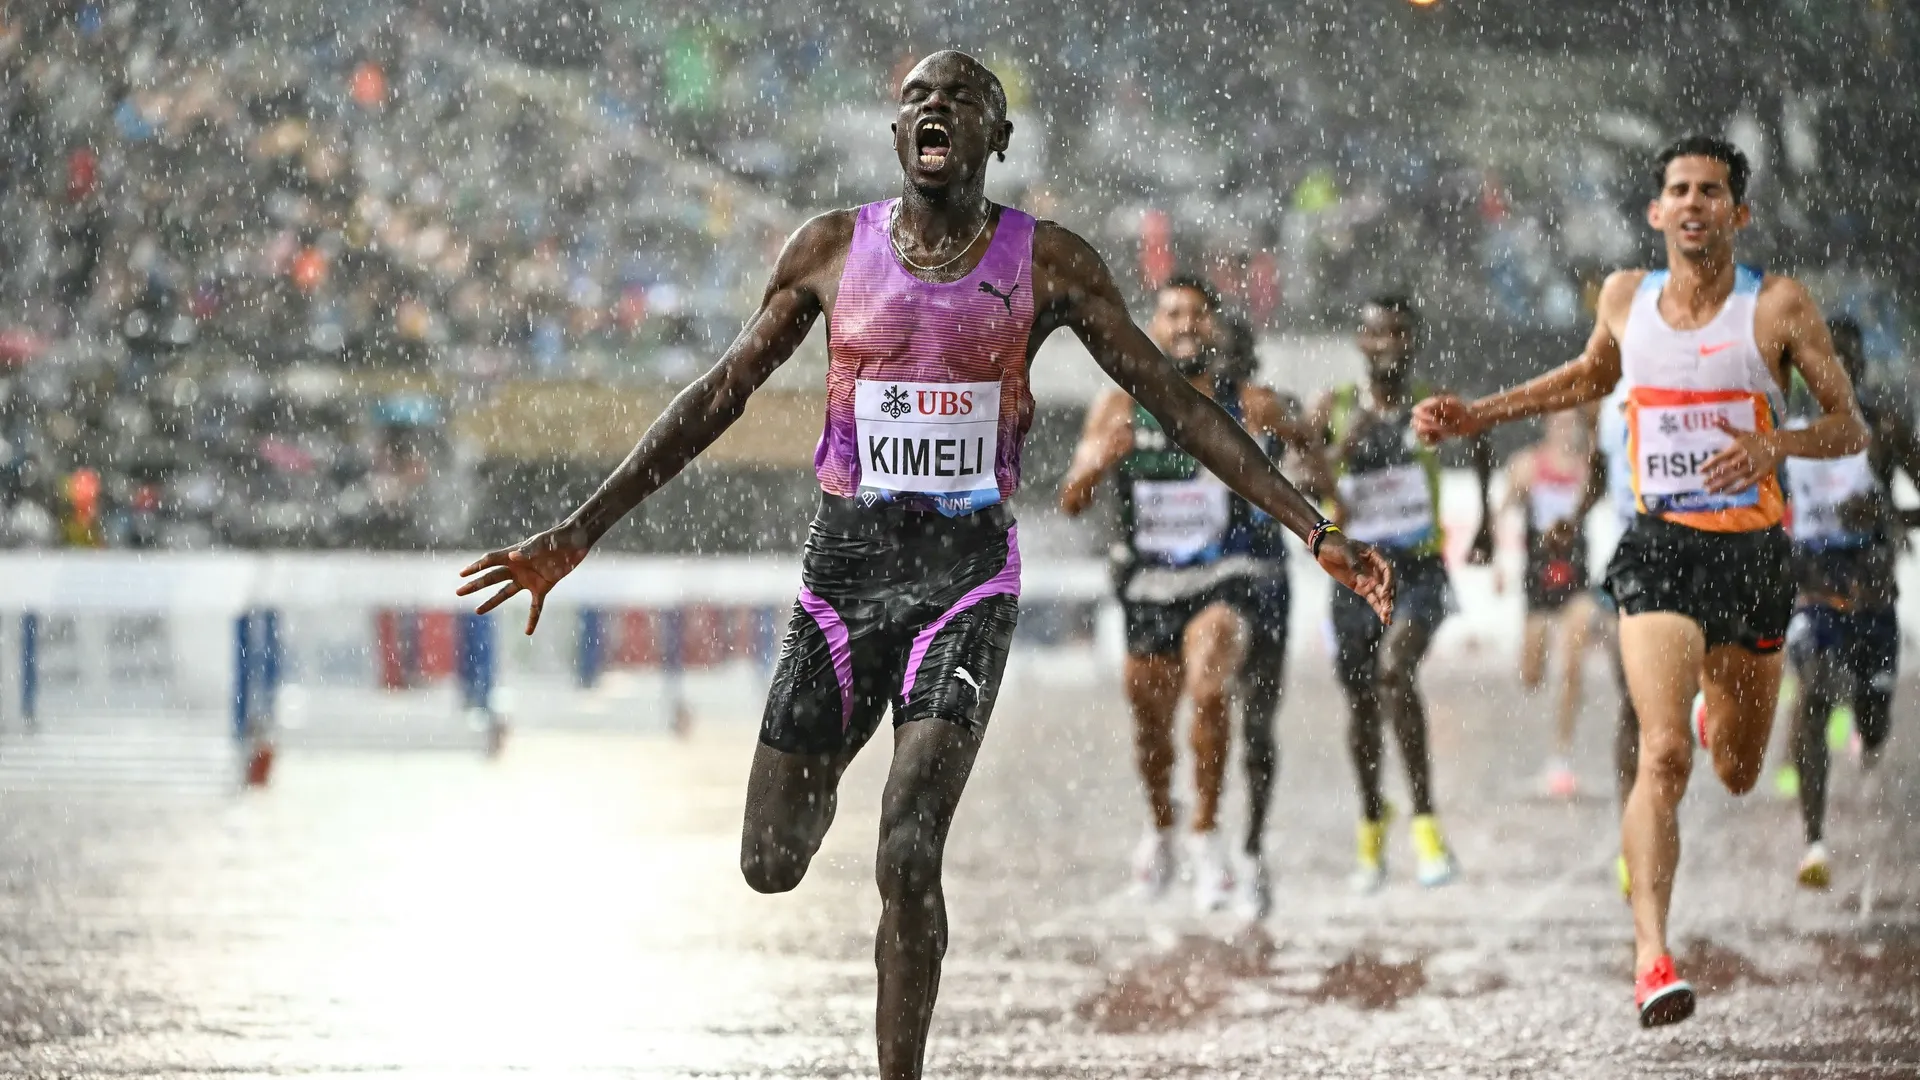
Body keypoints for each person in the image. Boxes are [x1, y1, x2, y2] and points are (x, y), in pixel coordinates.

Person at [457, 52, 1393, 1080]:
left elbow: (1180, 406)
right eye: (916, 99)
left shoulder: (1052, 264)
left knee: (907, 851)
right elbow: (720, 393)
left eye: (963, 99)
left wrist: (1313, 528)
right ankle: (850, 732)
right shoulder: (827, 250)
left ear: (996, 139)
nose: (935, 108)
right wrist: (580, 531)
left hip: (966, 579)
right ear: (896, 135)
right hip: (845, 575)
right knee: (770, 862)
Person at [1413, 135, 1868, 1027]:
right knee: (1661, 754)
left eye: (1711, 192)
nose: (1693, 204)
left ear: (1737, 213)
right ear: (1657, 212)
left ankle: (1713, 709)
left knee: (1734, 769)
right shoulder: (1628, 298)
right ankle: (1652, 957)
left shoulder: (1776, 306)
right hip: (1659, 546)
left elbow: (1847, 426)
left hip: (1752, 557)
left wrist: (1777, 443)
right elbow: (1591, 375)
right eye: (1678, 191)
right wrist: (1483, 412)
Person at [1058, 285, 1314, 916]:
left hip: (1227, 576)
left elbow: (1310, 448)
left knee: (1209, 682)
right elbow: (1071, 499)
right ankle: (1162, 828)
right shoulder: (1119, 405)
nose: (1186, 324)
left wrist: (1317, 469)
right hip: (1149, 585)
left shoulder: (1247, 404)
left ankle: (1207, 838)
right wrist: (1095, 466)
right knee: (1150, 728)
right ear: (1153, 325)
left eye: (1198, 313)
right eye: (1172, 313)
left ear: (1217, 329)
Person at [1310, 293, 1494, 894]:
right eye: (1377, 334)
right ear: (1361, 344)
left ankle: (1425, 824)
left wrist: (1488, 518)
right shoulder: (1335, 407)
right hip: (1358, 575)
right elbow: (1303, 473)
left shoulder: (1430, 405)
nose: (1388, 344)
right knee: (1361, 706)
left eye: (1399, 334)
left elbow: (1481, 439)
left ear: (1412, 341)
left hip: (1418, 571)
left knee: (1395, 672)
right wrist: (1341, 450)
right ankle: (1371, 827)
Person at [1780, 316, 1920, 889]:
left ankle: (1870, 724)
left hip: (1873, 595)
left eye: (1847, 361)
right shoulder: (1782, 436)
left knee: (1872, 719)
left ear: (1860, 368)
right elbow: (1758, 521)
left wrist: (1884, 515)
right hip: (1814, 593)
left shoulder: (1884, 428)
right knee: (1814, 693)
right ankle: (1813, 843)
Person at [1214, 314, 1304, 917]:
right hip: (1202, 584)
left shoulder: (1271, 406)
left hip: (1266, 579)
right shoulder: (1182, 407)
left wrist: (1297, 436)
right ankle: (1205, 838)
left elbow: (1315, 474)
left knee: (1258, 727)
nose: (1226, 367)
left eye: (1235, 355)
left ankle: (1251, 846)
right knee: (1208, 705)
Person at [1501, 408, 1600, 797]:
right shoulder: (1528, 465)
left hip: (1576, 576)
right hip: (1538, 580)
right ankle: (1546, 746)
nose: (1565, 430)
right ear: (1546, 427)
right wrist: (1495, 558)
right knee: (1532, 674)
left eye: (1570, 423)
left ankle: (1561, 756)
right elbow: (1503, 508)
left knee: (1574, 663)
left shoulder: (1588, 468)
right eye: (1558, 423)